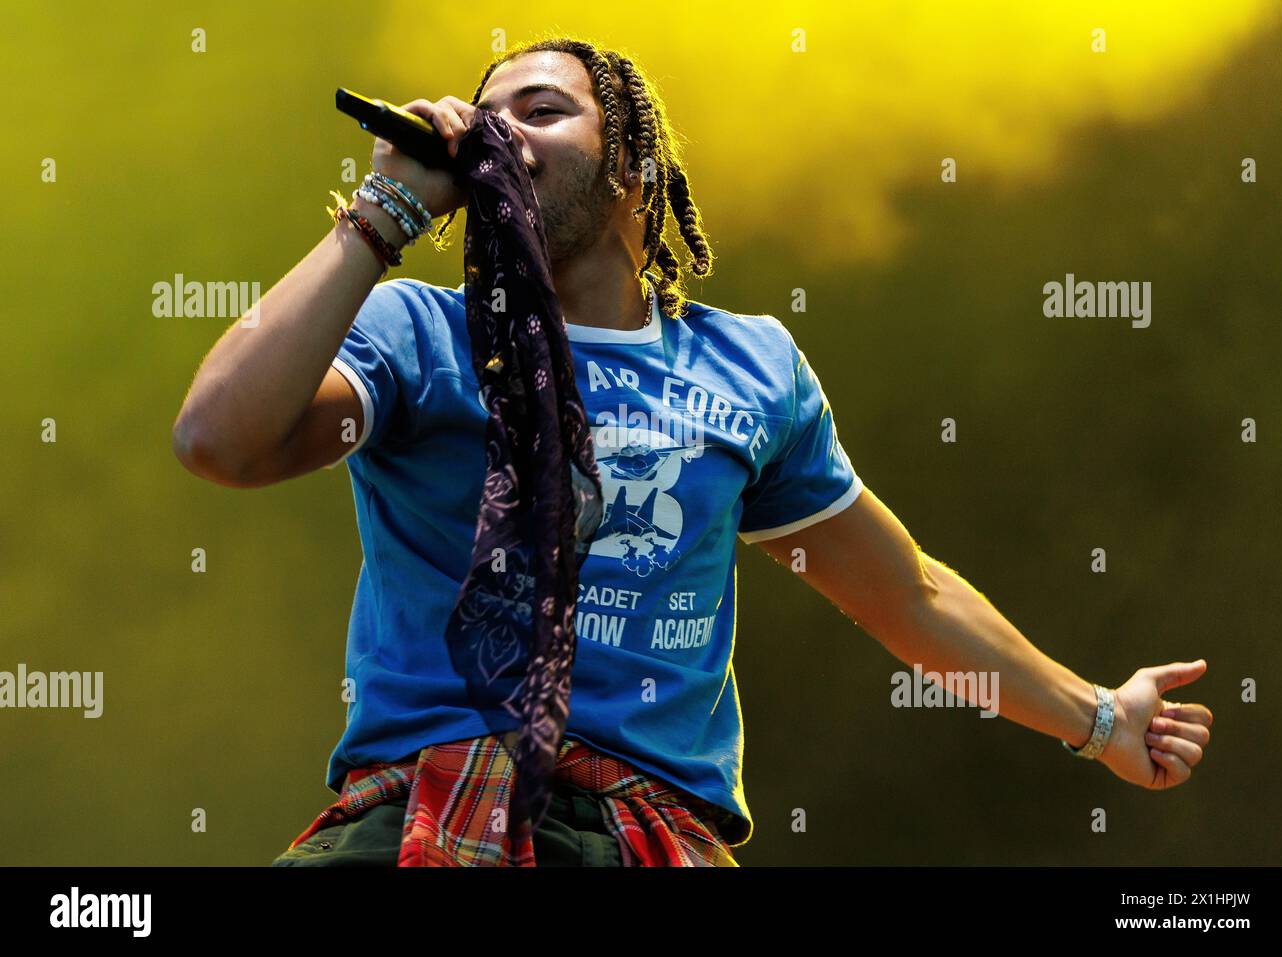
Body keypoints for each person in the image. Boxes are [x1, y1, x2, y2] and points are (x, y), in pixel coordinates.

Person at [172, 37, 1214, 867]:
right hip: (424, 815)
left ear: (632, 163)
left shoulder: (749, 367)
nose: (500, 137)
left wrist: (1095, 720)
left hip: (647, 830)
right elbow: (221, 440)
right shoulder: (417, 332)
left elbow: (909, 596)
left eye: (539, 112)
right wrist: (384, 211)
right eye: (483, 123)